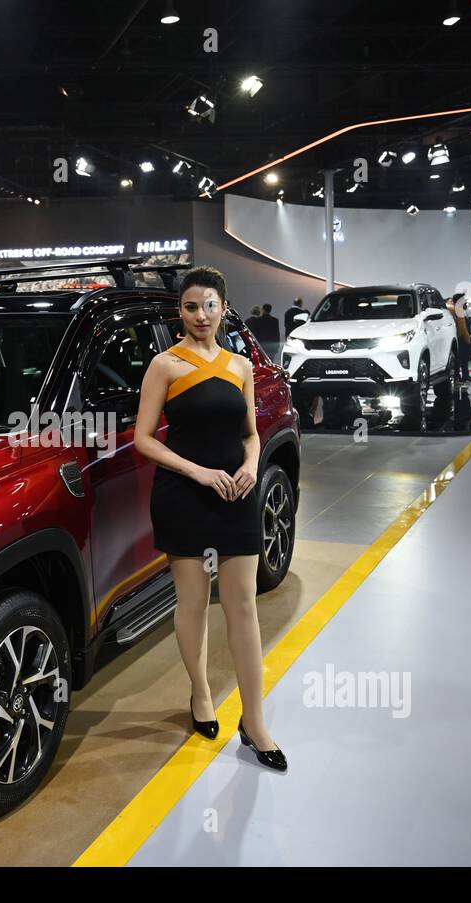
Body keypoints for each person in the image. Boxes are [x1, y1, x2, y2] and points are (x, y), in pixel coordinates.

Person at [133, 265, 287, 772]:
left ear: (224, 308)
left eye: (210, 305)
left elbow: (250, 433)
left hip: (236, 494)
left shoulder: (239, 365)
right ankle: (200, 694)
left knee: (242, 606)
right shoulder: (164, 365)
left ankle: (255, 720)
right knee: (194, 605)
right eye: (191, 306)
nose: (201, 314)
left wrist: (248, 465)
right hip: (184, 493)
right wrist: (199, 473)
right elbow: (145, 438)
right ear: (180, 311)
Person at [448, 292, 471, 382]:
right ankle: (461, 376)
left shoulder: (455, 309)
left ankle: (461, 376)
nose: (465, 301)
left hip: (457, 337)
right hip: (460, 337)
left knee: (460, 358)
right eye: (463, 299)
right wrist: (468, 339)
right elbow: (462, 326)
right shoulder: (458, 310)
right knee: (462, 358)